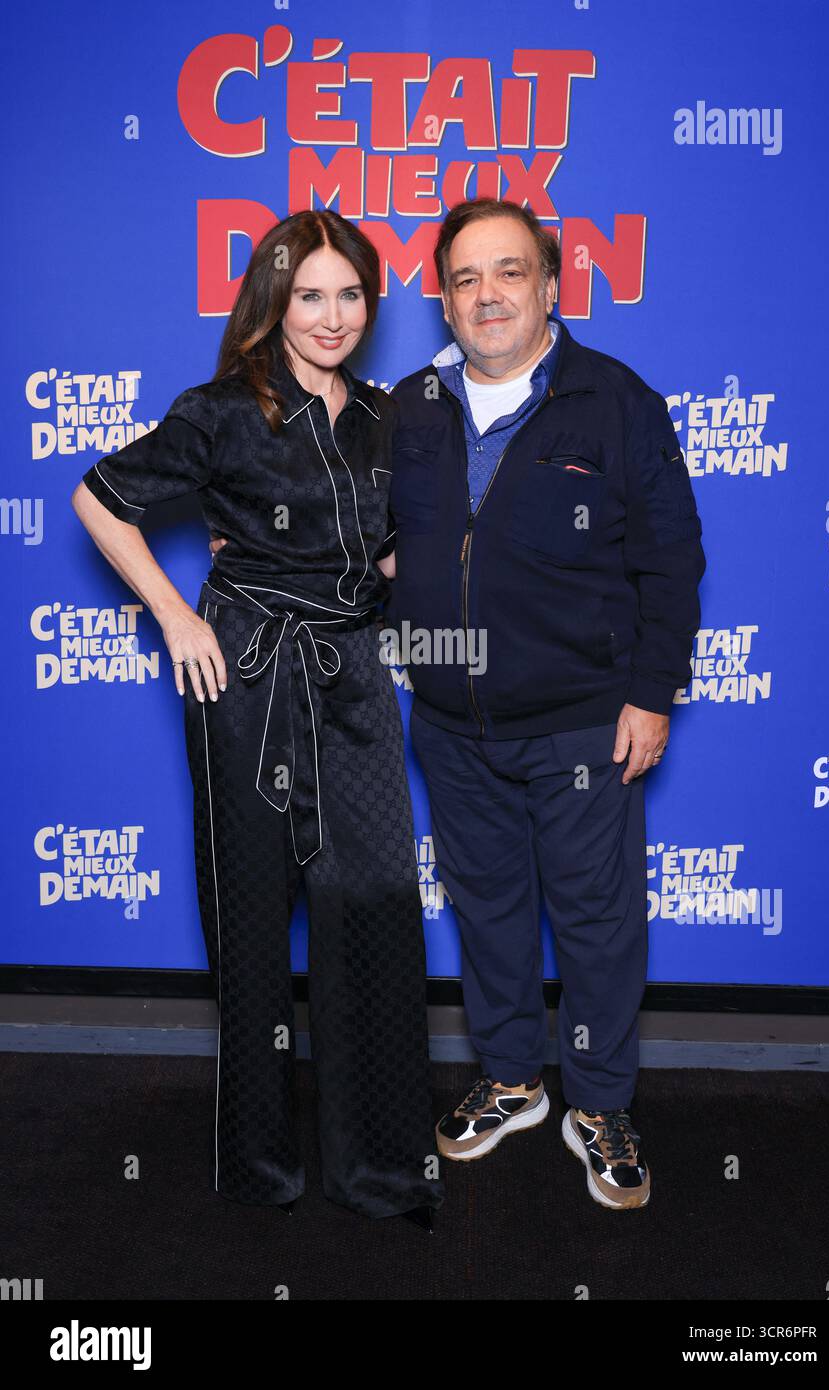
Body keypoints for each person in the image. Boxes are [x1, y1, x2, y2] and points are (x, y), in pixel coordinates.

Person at [71, 209, 444, 1229]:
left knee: (371, 903)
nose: (332, 316)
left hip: (356, 675)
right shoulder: (224, 409)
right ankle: (260, 1167)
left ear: (373, 302)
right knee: (249, 914)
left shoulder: (382, 415)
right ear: (273, 300)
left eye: (351, 294)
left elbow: (383, 557)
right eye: (310, 294)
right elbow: (101, 497)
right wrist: (175, 617)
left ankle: (378, 1166)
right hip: (247, 674)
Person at [385, 198, 706, 1210]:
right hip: (447, 719)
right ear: (443, 295)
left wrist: (652, 694)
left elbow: (672, 557)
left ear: (552, 287)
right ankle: (516, 1078)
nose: (488, 294)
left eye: (509, 272)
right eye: (467, 277)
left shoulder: (614, 401)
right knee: (488, 909)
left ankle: (601, 1101)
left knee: (599, 923)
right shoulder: (408, 405)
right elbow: (358, 532)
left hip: (581, 720)